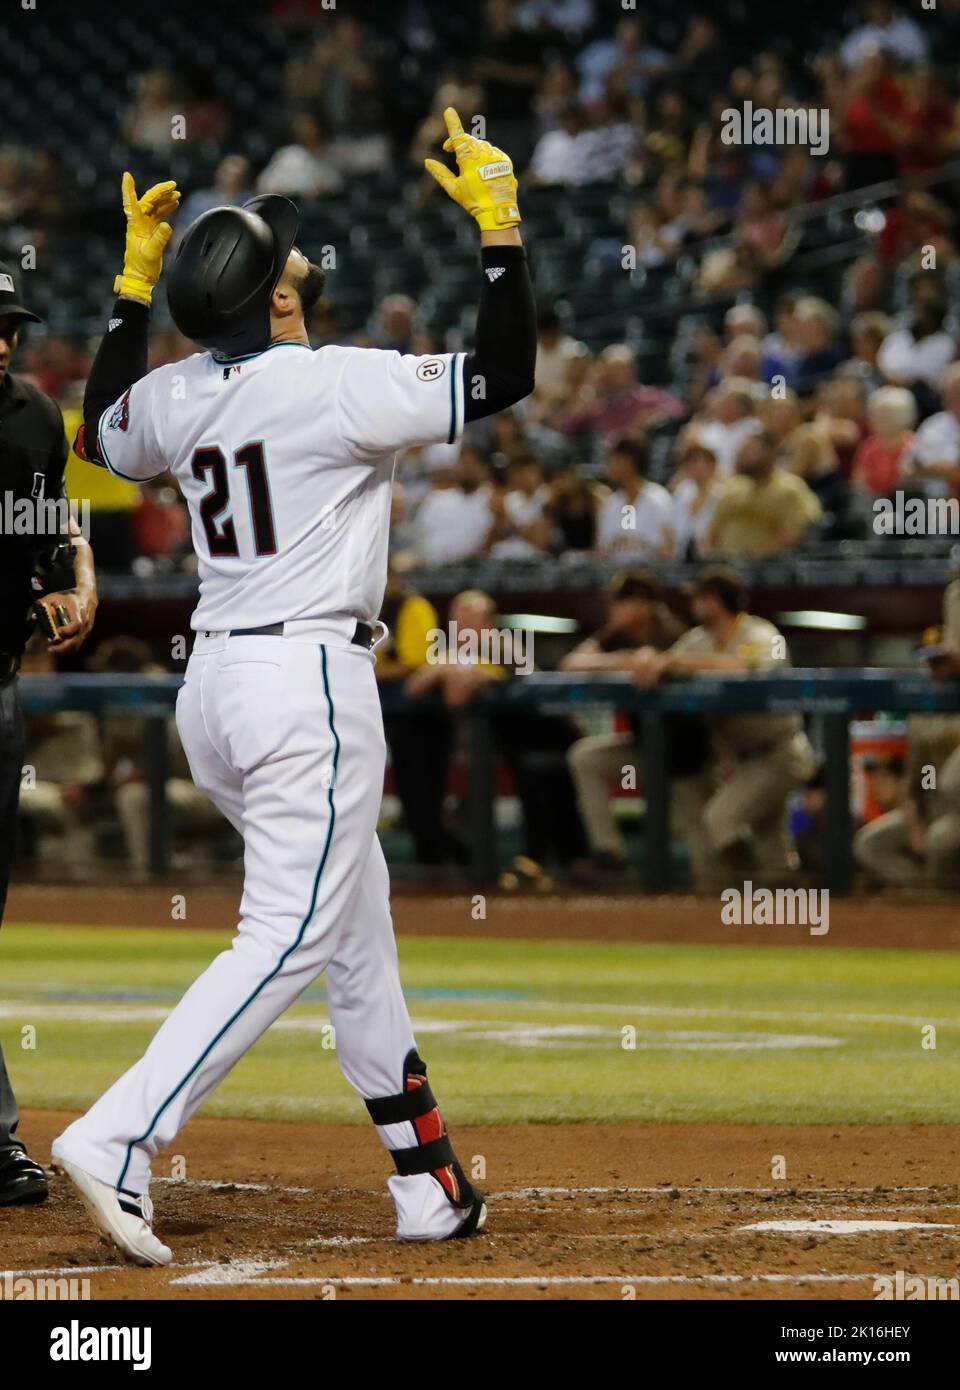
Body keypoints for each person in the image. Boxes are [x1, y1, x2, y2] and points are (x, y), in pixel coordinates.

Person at [53, 108, 535, 1264]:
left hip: (217, 689)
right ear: (270, 298)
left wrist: (126, 292)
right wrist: (504, 235)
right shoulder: (333, 385)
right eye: (279, 255)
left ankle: (425, 1178)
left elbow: (100, 434)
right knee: (283, 938)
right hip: (305, 679)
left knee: (353, 935)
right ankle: (122, 1134)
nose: (296, 257)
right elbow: (506, 372)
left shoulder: (173, 395)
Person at [0, 261, 98, 1205]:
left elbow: (49, 519)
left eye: (8, 327)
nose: (0, 342)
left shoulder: (32, 416)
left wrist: (79, 568)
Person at [633, 568, 817, 887]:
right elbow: (665, 659)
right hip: (745, 759)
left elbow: (745, 667)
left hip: (780, 752)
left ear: (716, 601)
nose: (694, 605)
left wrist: (678, 663)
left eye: (701, 598)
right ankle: (787, 911)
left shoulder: (762, 634)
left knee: (718, 821)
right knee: (771, 847)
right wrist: (651, 657)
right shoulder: (699, 639)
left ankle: (749, 888)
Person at [564, 571, 687, 869]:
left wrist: (647, 660)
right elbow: (571, 663)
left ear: (643, 605)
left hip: (688, 758)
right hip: (644, 749)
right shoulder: (617, 633)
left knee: (704, 850)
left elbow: (658, 662)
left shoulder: (672, 631)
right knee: (585, 757)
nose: (612, 610)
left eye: (620, 603)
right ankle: (609, 852)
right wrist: (625, 659)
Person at [706, 430, 822, 559]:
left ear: (770, 453)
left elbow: (793, 534)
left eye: (751, 450)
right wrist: (711, 558)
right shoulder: (732, 488)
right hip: (725, 567)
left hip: (769, 571)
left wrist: (758, 557)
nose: (743, 455)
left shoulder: (790, 488)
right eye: (743, 450)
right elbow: (711, 532)